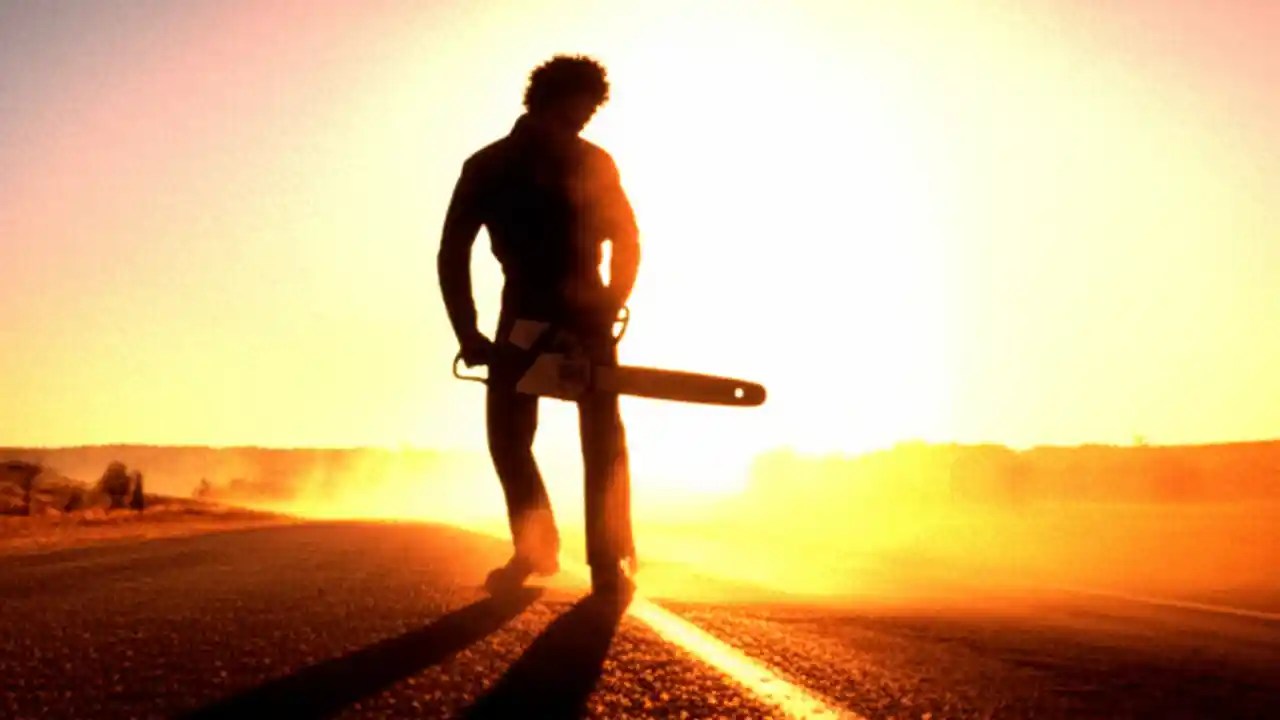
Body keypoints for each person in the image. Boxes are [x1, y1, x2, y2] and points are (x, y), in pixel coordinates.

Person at [438, 55, 640, 598]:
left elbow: (627, 239)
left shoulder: (592, 162)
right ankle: (537, 545)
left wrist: (611, 302)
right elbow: (452, 252)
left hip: (582, 317)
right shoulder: (489, 165)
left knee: (600, 438)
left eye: (593, 109)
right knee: (510, 436)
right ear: (551, 98)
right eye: (583, 107)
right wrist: (469, 332)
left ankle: (605, 563)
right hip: (528, 315)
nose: (588, 118)